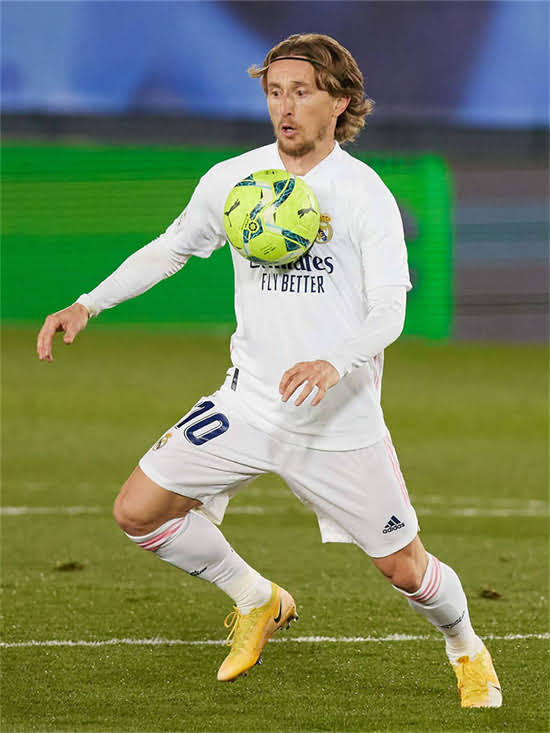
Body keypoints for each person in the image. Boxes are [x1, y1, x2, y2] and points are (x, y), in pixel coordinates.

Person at [37, 33, 501, 706]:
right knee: (139, 512)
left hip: (337, 420)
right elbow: (172, 248)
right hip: (248, 403)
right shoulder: (235, 180)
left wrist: (334, 361)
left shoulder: (363, 193)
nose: (285, 107)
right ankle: (258, 598)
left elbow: (390, 311)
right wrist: (88, 303)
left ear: (339, 102)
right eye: (275, 92)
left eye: (302, 92)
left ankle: (465, 645)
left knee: (405, 569)